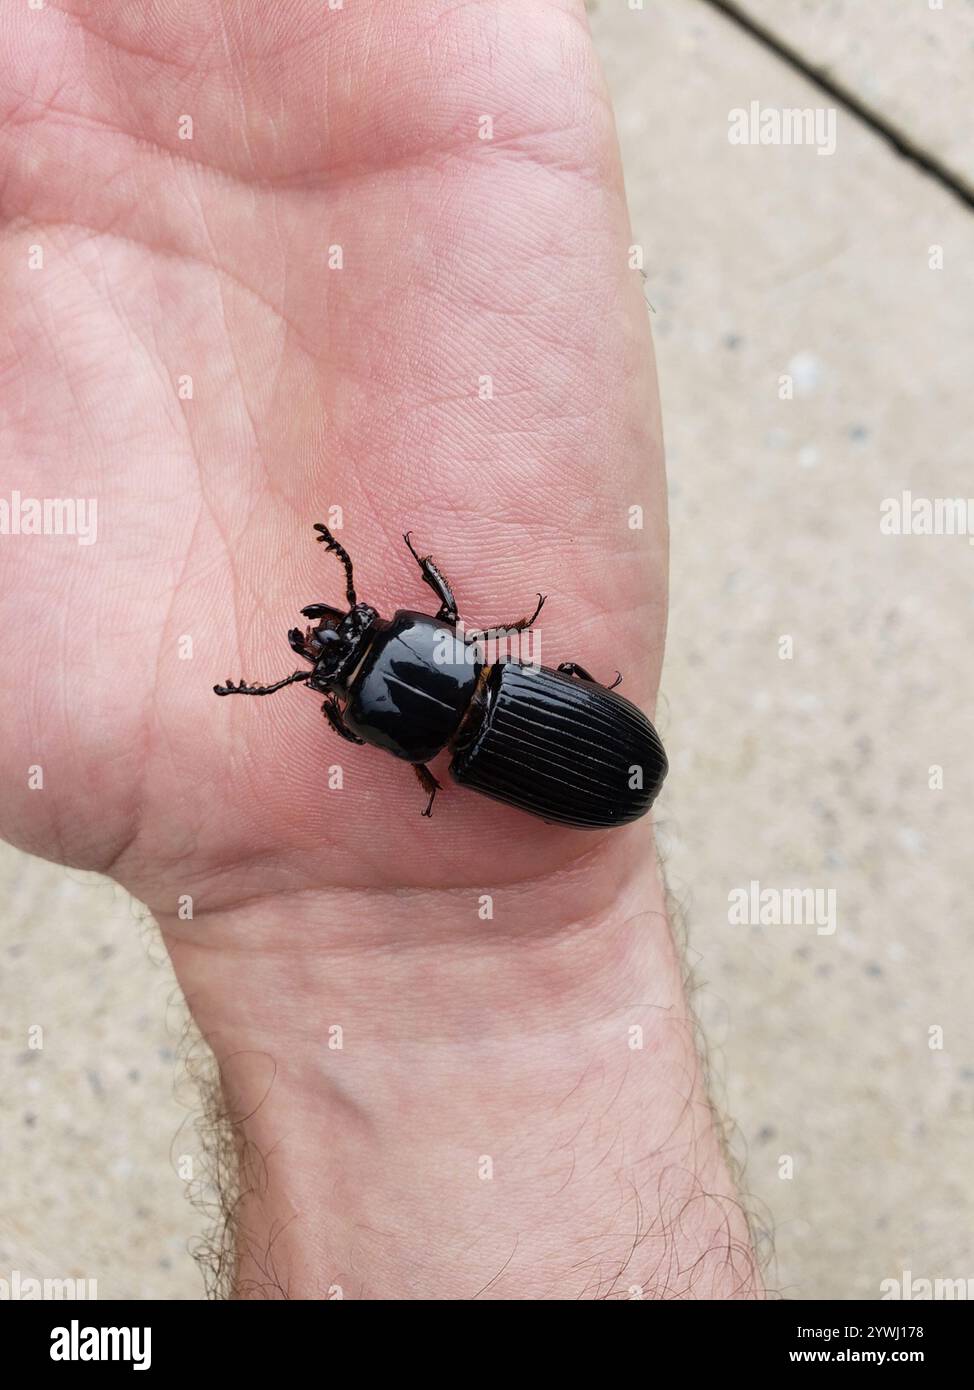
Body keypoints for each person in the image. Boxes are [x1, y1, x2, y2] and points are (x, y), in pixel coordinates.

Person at [0, 0, 760, 1298]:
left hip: (524, 732)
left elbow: (390, 677)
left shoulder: (447, 711)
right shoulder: (462, 671)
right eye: (349, 655)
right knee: (560, 710)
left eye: (351, 648)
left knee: (551, 715)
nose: (339, 640)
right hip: (529, 718)